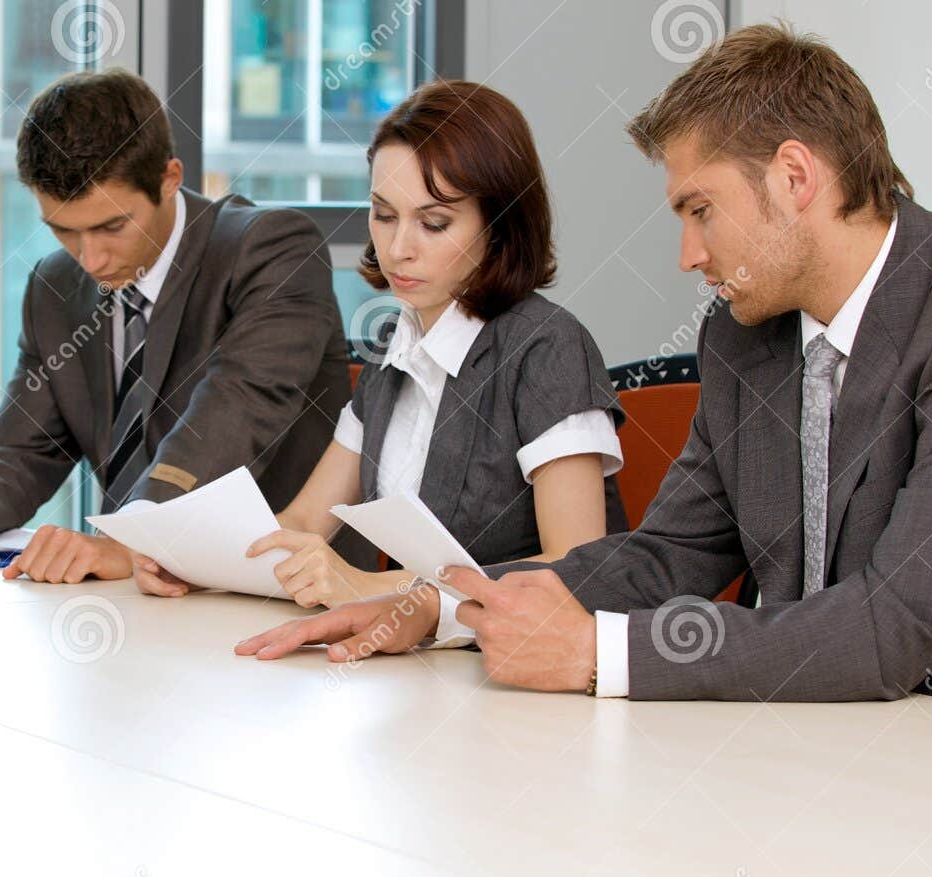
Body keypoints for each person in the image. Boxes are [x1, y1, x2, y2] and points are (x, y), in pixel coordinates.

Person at [236, 23, 932, 718]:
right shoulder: (744, 334)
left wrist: (599, 654)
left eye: (700, 210)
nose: (689, 255)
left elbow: (894, 626)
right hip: (797, 740)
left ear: (795, 178)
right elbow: (667, 556)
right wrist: (437, 605)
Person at [134, 81, 625, 608]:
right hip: (420, 649)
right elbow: (306, 520)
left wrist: (368, 587)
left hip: (526, 653)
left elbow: (574, 568)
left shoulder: (548, 346)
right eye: (384, 215)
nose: (397, 248)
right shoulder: (397, 344)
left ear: (500, 226)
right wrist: (198, 563)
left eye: (433, 223)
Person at [0, 69, 350, 585]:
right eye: (63, 231)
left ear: (170, 178)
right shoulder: (55, 286)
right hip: (137, 596)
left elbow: (235, 408)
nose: (91, 259)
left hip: (284, 589)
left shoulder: (271, 250)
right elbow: (22, 447)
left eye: (112, 226)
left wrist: (135, 537)